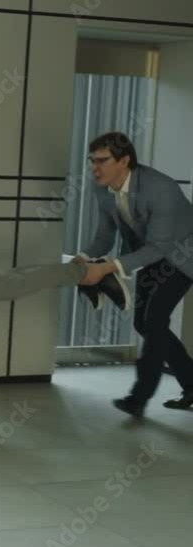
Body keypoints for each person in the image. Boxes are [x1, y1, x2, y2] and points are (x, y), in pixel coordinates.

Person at [72, 131, 193, 416]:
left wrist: (107, 267)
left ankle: (138, 398)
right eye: (91, 161)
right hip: (150, 253)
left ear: (124, 160)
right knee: (145, 324)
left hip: (183, 254)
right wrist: (84, 257)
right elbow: (105, 237)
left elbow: (161, 247)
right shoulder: (102, 189)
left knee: (154, 321)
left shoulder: (161, 189)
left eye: (101, 161)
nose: (94, 168)